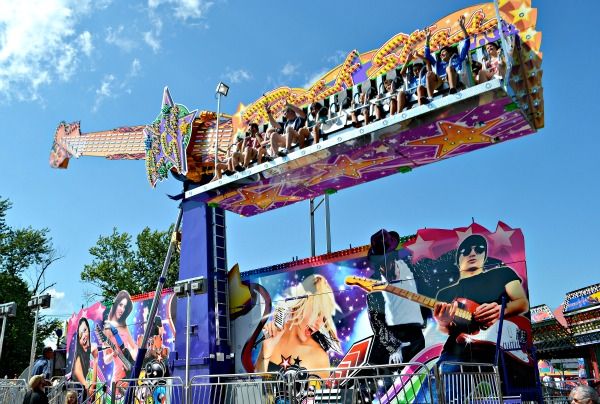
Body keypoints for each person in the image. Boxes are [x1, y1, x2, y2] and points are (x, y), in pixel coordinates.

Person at [433, 234, 529, 366]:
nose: (472, 253)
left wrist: (501, 309)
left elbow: (522, 303)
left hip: (500, 348)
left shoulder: (503, 273)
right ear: (457, 259)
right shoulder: (444, 293)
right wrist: (443, 322)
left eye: (478, 249)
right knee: (439, 383)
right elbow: (446, 329)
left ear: (484, 256)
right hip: (457, 351)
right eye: (466, 251)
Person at [255, 274, 341, 379]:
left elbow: (319, 394)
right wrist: (267, 349)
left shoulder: (319, 357)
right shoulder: (272, 337)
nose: (319, 323)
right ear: (300, 304)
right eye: (317, 313)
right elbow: (257, 383)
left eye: (324, 318)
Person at [425, 15, 470, 96]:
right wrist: (427, 39)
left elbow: (467, 43)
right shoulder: (438, 64)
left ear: (450, 53)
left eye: (444, 52)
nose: (441, 54)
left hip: (456, 78)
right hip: (441, 82)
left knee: (449, 68)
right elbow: (427, 55)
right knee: (429, 74)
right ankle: (430, 98)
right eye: (441, 54)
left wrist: (462, 27)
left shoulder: (458, 58)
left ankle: (453, 89)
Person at [102, 291, 138, 388]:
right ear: (115, 304)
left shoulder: (124, 326)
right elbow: (105, 360)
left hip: (129, 375)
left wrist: (131, 361)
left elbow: (134, 347)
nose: (122, 309)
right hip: (118, 378)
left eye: (125, 307)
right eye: (120, 305)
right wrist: (113, 354)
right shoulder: (107, 327)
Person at [71, 317, 98, 398]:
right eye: (80, 333)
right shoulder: (78, 359)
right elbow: (90, 393)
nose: (84, 335)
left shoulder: (91, 349)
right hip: (80, 392)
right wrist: (96, 359)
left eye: (85, 330)